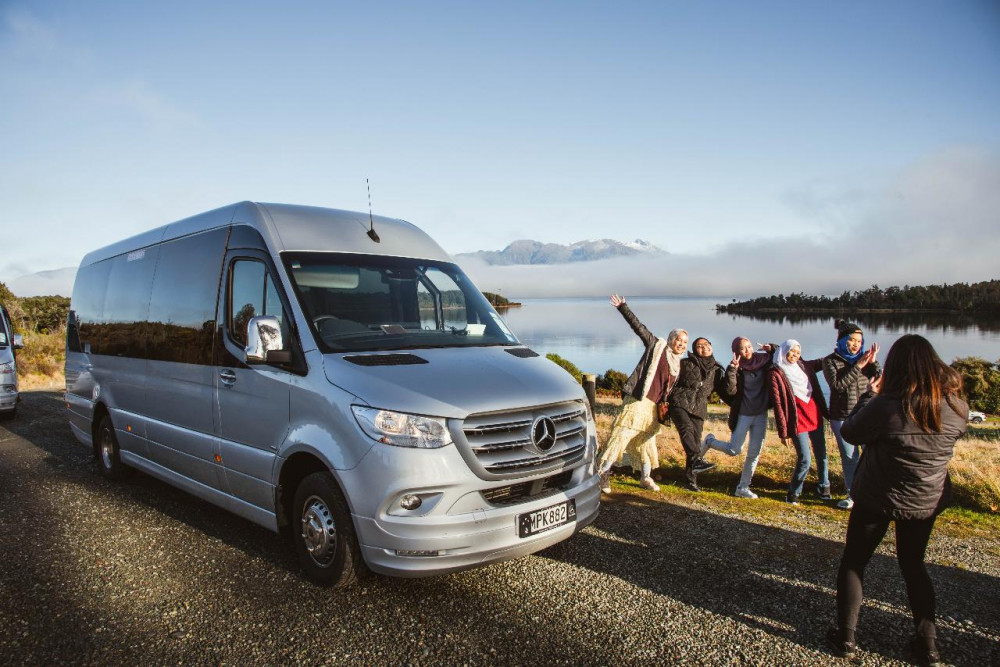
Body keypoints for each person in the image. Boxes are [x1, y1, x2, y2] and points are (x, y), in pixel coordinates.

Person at [827, 335, 967, 666]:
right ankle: (928, 644)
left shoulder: (888, 404)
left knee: (855, 561)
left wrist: (868, 395)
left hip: (877, 496)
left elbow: (850, 432)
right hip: (925, 499)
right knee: (913, 564)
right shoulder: (956, 407)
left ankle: (846, 636)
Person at [596, 294, 685, 493]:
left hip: (654, 407)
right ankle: (602, 473)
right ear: (671, 339)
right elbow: (639, 327)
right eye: (679, 339)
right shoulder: (656, 346)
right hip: (638, 401)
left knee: (647, 441)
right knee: (621, 435)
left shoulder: (678, 365)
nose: (681, 344)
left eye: (684, 342)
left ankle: (645, 477)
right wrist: (623, 307)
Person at [701, 337, 774, 498]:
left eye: (749, 346)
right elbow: (730, 391)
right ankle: (709, 441)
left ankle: (743, 487)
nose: (747, 350)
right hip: (743, 414)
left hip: (761, 415)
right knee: (734, 450)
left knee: (754, 453)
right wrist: (732, 370)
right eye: (743, 348)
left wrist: (772, 348)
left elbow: (784, 354)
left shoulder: (763, 361)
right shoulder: (736, 367)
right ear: (736, 351)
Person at [823, 319, 880, 510]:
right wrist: (858, 366)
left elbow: (878, 381)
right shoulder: (830, 361)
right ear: (842, 340)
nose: (855, 344)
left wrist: (873, 362)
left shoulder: (865, 359)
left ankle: (872, 493)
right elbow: (837, 386)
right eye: (851, 340)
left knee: (871, 455)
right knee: (849, 458)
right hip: (841, 417)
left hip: (866, 414)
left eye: (859, 341)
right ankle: (852, 495)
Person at [768, 339, 831, 504]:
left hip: (814, 414)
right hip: (797, 420)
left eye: (798, 352)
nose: (795, 355)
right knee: (805, 458)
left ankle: (824, 486)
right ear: (784, 352)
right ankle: (794, 492)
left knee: (821, 453)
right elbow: (778, 405)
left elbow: (824, 361)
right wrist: (783, 433)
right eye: (792, 351)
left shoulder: (804, 366)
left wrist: (843, 352)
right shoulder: (776, 372)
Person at [667, 336, 728, 492]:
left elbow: (727, 391)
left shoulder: (717, 370)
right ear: (694, 350)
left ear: (711, 346)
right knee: (686, 430)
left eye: (706, 344)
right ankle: (697, 461)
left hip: (699, 409)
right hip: (679, 402)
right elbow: (670, 379)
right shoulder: (685, 363)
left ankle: (691, 481)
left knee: (694, 442)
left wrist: (733, 370)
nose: (704, 347)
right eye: (700, 346)